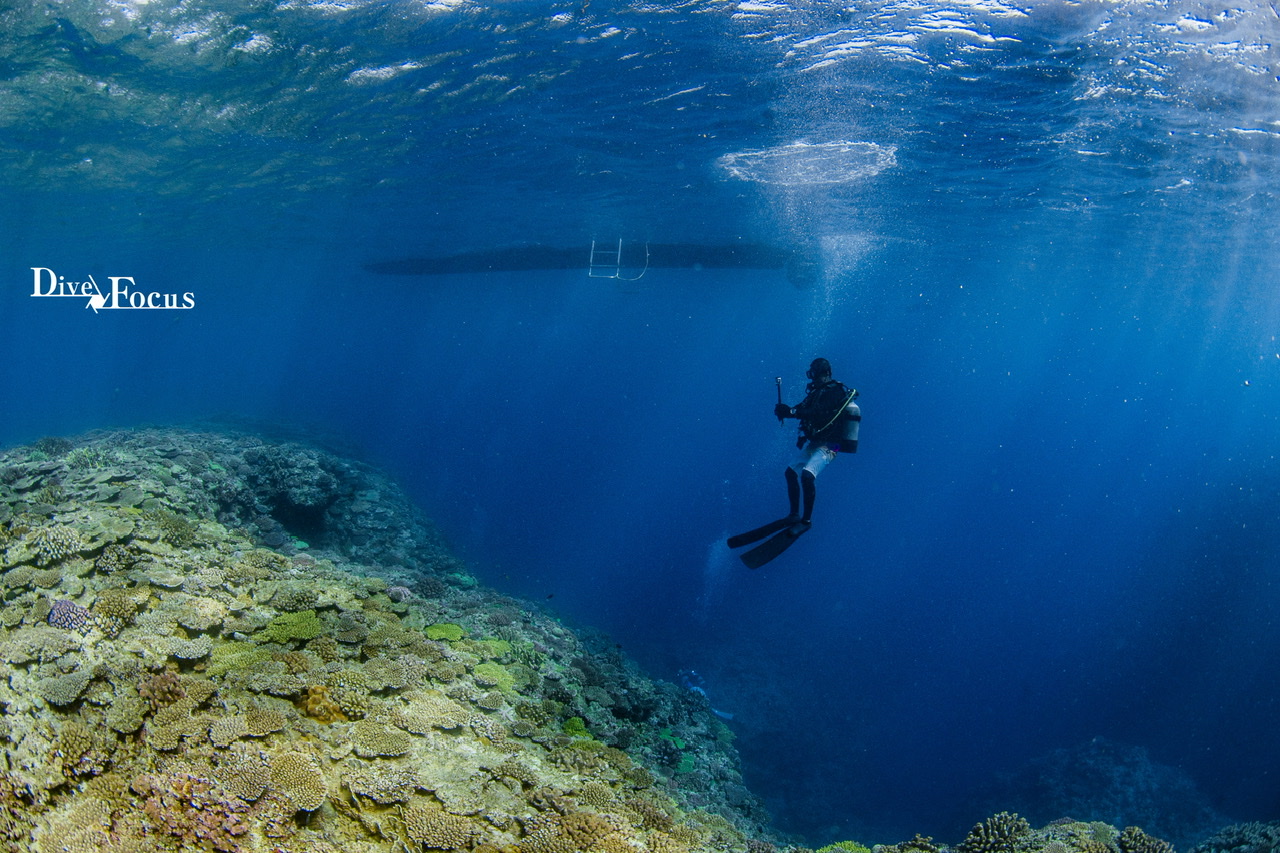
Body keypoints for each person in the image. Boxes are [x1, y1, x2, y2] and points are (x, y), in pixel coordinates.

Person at [772, 357, 859, 528]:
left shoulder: (835, 392)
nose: (813, 378)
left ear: (825, 374)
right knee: (790, 473)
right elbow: (802, 409)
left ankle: (806, 521)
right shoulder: (815, 393)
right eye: (811, 374)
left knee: (807, 475)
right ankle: (794, 514)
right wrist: (785, 411)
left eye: (815, 374)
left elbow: (817, 413)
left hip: (833, 444)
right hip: (817, 441)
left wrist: (791, 411)